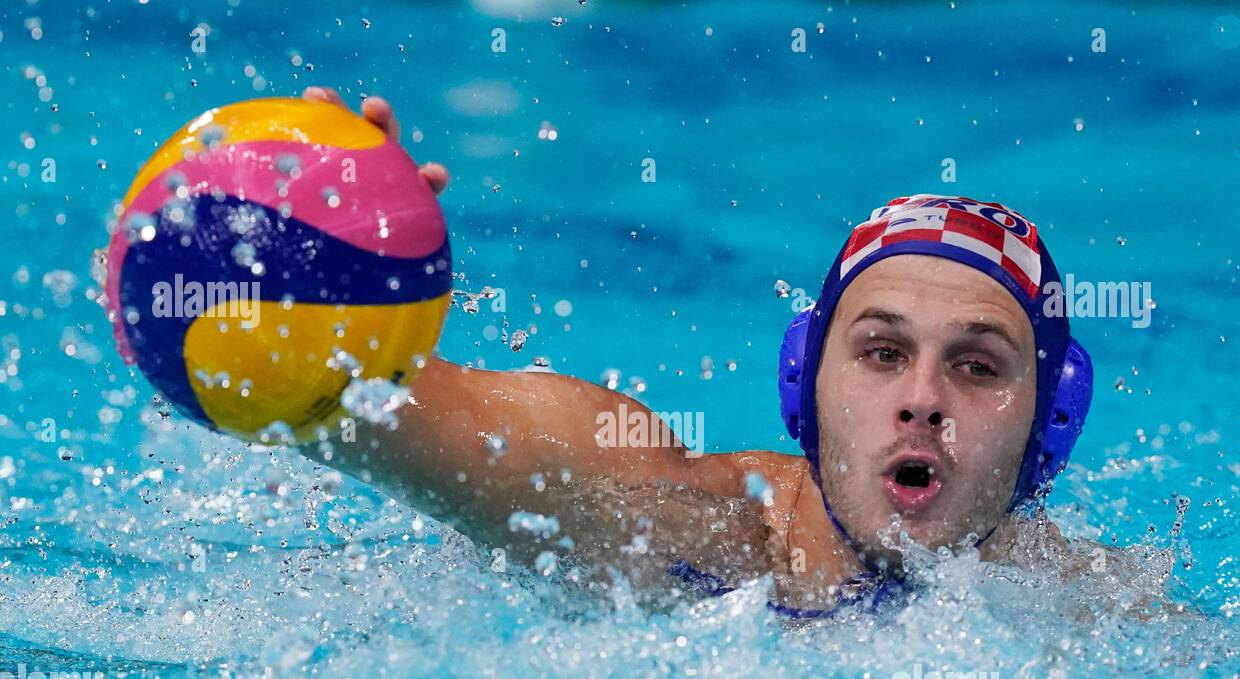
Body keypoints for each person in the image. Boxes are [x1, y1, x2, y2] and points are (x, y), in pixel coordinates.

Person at [301, 88, 1116, 618]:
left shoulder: (1091, 609)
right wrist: (327, 309)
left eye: (978, 367)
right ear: (805, 384)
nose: (923, 397)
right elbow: (342, 406)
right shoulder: (688, 525)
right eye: (880, 352)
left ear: (1051, 424)